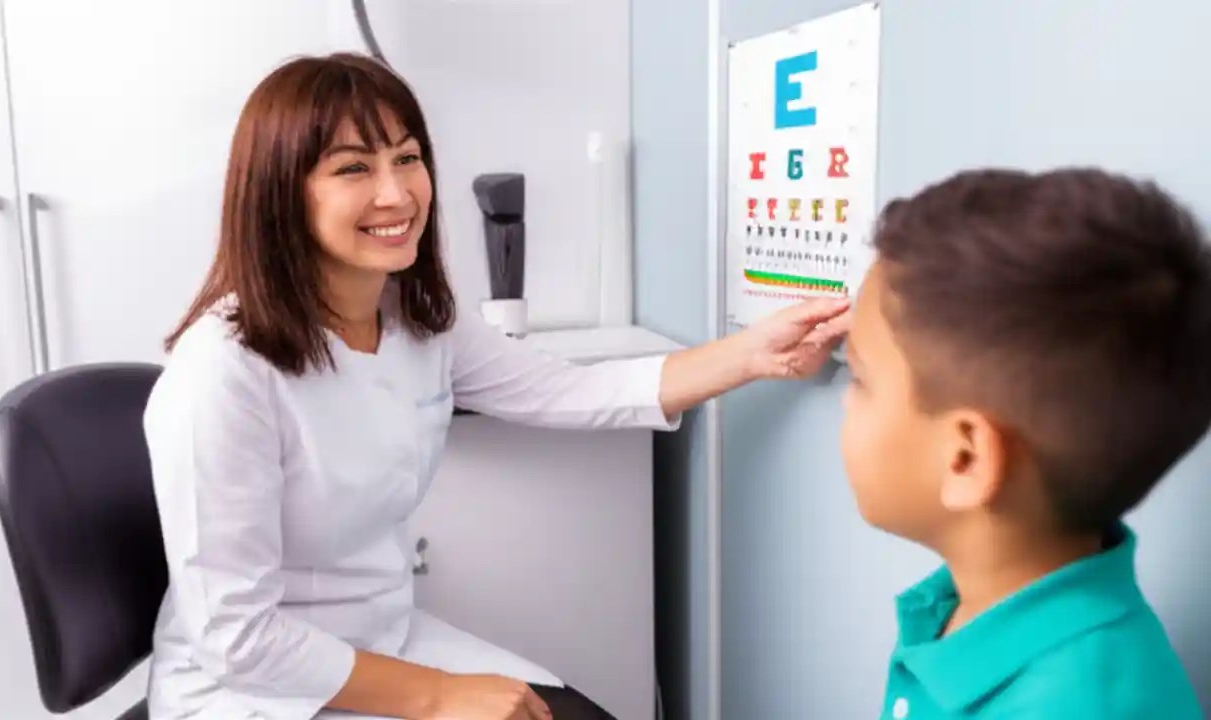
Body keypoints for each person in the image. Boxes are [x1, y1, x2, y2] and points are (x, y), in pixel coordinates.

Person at [143, 52, 849, 720]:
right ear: (278, 194)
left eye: (408, 158)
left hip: (383, 639)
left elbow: (570, 392)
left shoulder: (415, 322)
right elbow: (233, 639)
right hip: (253, 689)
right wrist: (439, 696)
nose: (396, 193)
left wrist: (757, 354)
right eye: (353, 168)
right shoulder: (223, 371)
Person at [840, 167, 1209, 718]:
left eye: (860, 379)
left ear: (965, 458)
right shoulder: (963, 607)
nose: (847, 403)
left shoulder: (1082, 704)